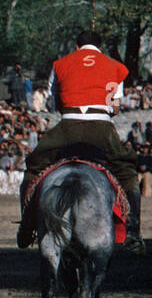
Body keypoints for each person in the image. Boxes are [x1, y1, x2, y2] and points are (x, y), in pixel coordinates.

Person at [18, 30, 145, 255]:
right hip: (101, 127)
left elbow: (54, 99)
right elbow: (115, 107)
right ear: (100, 47)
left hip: (68, 125)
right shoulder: (115, 66)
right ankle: (133, 232)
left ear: (77, 46)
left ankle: (27, 228)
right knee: (126, 171)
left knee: (34, 166)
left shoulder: (60, 64)